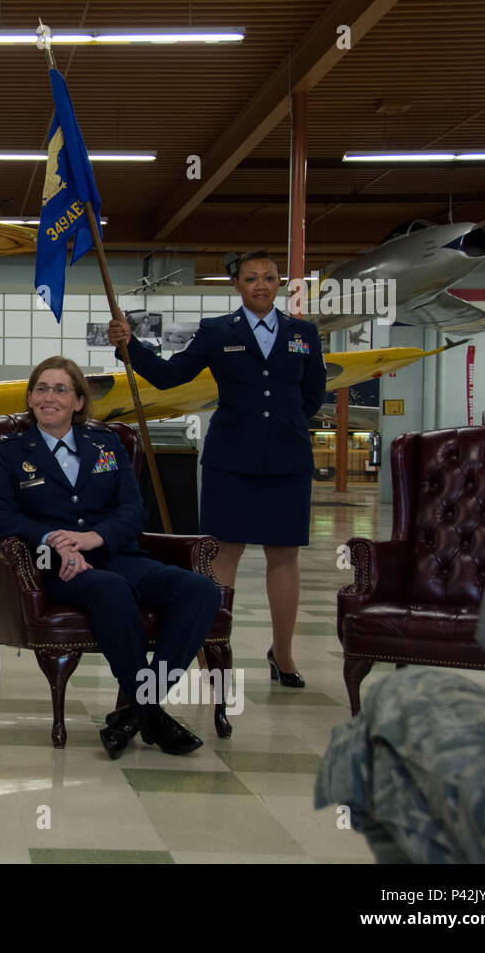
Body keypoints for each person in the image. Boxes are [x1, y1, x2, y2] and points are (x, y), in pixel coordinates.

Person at [0, 355, 222, 759]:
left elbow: (132, 511)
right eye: (41, 388)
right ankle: (149, 715)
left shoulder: (107, 443)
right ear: (30, 398)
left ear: (78, 401)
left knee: (200, 590)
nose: (49, 397)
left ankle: (137, 711)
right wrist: (55, 541)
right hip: (56, 568)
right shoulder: (9, 450)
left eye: (60, 389)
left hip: (120, 555)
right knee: (110, 589)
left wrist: (93, 537)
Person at [107, 251, 327, 687]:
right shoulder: (216, 331)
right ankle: (211, 654)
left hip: (288, 460)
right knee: (223, 554)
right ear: (237, 286)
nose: (260, 285)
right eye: (251, 278)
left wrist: (279, 428)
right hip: (232, 460)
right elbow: (171, 377)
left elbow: (312, 395)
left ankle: (283, 654)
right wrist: (129, 346)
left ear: (280, 283)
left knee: (284, 558)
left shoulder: (304, 333)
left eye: (268, 278)